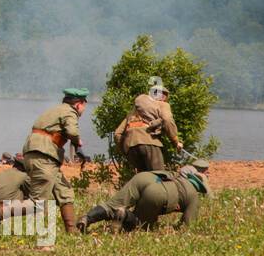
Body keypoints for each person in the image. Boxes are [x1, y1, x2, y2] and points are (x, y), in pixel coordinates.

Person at [21, 89, 89, 235]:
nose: (83, 110)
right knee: (37, 203)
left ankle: (72, 232)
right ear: (78, 104)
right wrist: (78, 141)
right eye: (84, 106)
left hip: (44, 156)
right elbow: (72, 132)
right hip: (43, 156)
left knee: (64, 192)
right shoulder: (70, 112)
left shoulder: (56, 110)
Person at [78, 163, 209, 231]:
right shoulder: (193, 195)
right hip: (157, 192)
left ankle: (87, 218)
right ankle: (124, 215)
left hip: (145, 176)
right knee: (141, 225)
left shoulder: (178, 175)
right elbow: (187, 225)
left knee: (112, 204)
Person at [111, 78, 181, 173]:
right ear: (162, 95)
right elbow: (167, 119)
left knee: (143, 179)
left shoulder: (133, 111)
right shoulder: (162, 104)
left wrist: (126, 150)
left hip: (131, 147)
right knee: (158, 176)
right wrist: (175, 141)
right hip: (149, 143)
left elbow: (117, 134)